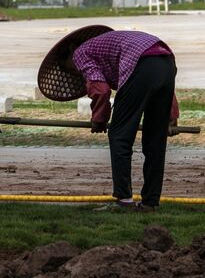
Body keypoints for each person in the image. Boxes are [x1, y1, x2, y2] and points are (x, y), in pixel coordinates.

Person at [37, 25, 180, 211]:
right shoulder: (103, 48)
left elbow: (101, 90)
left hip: (140, 63)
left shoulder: (80, 52)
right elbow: (163, 87)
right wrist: (170, 116)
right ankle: (150, 203)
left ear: (71, 51)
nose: (76, 72)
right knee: (155, 140)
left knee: (119, 135)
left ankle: (124, 201)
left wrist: (99, 119)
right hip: (166, 60)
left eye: (70, 68)